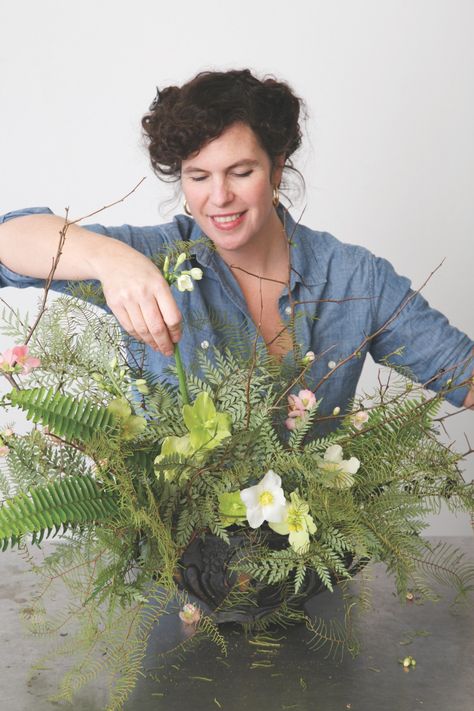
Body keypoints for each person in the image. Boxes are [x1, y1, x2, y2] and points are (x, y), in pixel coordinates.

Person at [0, 69, 472, 431]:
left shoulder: (355, 278)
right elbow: (8, 242)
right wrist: (109, 260)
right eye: (198, 177)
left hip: (313, 556)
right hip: (176, 557)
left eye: (241, 172)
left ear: (277, 169)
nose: (219, 197)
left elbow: (463, 373)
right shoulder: (158, 256)